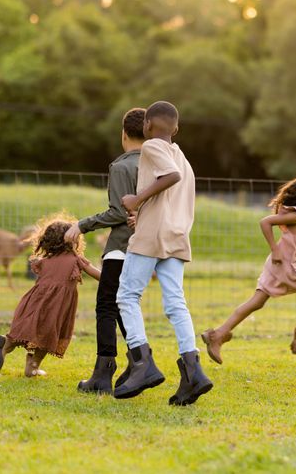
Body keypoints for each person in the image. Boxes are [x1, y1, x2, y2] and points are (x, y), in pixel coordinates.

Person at [113, 101, 213, 406]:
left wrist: (136, 199)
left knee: (127, 296)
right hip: (176, 235)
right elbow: (172, 192)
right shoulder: (182, 156)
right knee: (175, 303)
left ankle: (142, 362)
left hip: (153, 235)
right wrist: (142, 211)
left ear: (146, 127)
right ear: (177, 128)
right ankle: (193, 370)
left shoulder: (152, 146)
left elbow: (170, 178)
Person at [202, 173, 296, 363]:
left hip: (282, 265)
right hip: (286, 264)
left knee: (257, 301)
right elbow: (265, 222)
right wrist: (275, 250)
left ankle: (218, 334)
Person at [65, 107, 144, 394]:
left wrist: (82, 225)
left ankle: (103, 373)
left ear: (123, 133)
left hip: (121, 248)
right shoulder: (158, 165)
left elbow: (117, 213)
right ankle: (139, 363)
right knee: (125, 305)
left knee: (106, 306)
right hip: (148, 246)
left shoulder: (122, 167)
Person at [0, 218, 101, 377]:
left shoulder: (44, 261)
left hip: (34, 302)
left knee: (27, 329)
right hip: (56, 306)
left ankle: (6, 344)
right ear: (72, 239)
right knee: (48, 335)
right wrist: (116, 281)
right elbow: (98, 274)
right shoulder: (76, 260)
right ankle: (33, 365)